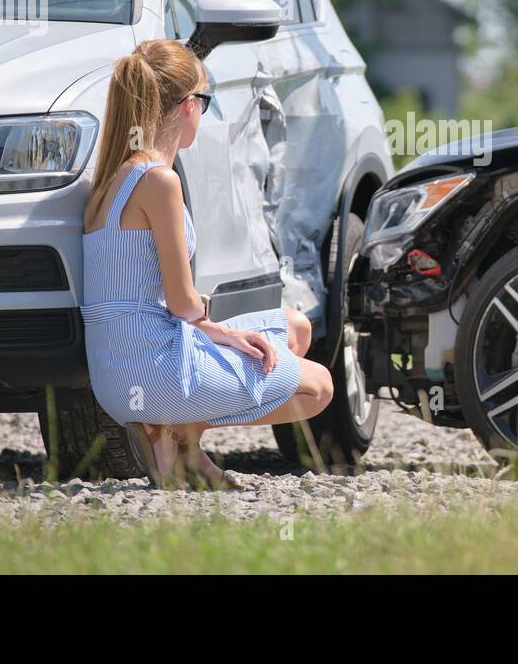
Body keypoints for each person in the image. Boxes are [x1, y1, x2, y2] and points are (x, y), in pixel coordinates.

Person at [81, 39, 333, 486]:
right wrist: (223, 330)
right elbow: (181, 302)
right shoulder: (161, 182)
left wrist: (220, 332)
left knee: (296, 327)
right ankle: (174, 427)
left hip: (114, 373)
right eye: (205, 100)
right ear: (189, 106)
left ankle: (184, 445)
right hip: (156, 370)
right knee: (318, 386)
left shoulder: (109, 180)